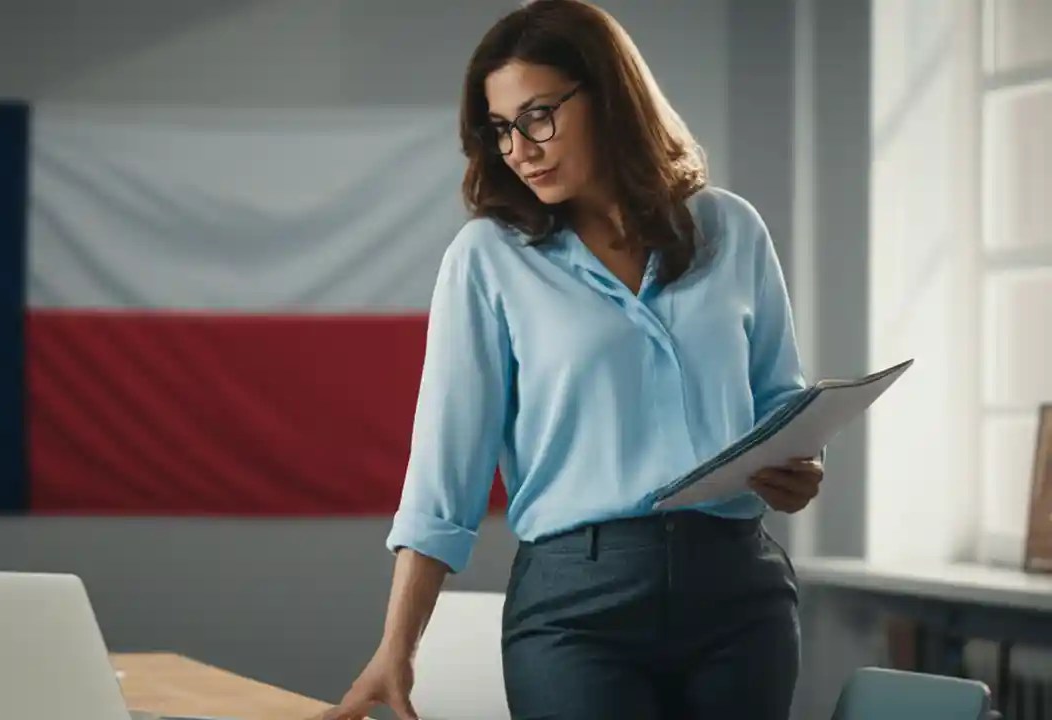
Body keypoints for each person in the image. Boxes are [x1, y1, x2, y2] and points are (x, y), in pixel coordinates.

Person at [319, 1, 822, 718]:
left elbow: (782, 403)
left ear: (609, 95)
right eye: (500, 129)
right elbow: (443, 475)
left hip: (741, 598)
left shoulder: (732, 229)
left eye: (538, 116)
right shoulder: (488, 259)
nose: (519, 149)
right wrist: (396, 647)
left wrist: (802, 468)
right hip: (577, 609)